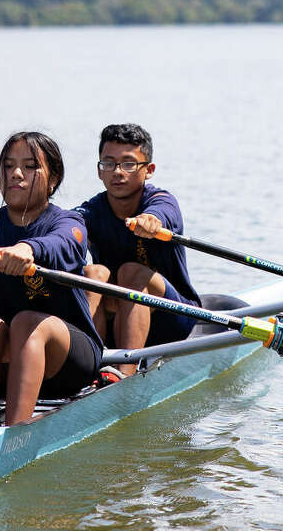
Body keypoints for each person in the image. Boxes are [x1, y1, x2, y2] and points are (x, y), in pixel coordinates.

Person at [0, 131, 104, 426]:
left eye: (30, 166)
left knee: (28, 321)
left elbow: (64, 244)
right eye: (8, 166)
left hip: (70, 365)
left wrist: (27, 249)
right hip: (9, 362)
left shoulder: (69, 221)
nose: (16, 173)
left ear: (53, 179)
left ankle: (16, 435)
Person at [79, 123, 202, 372]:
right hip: (118, 319)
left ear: (149, 170)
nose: (117, 172)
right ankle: (86, 371)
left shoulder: (161, 201)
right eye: (109, 163)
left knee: (130, 272)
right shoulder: (91, 211)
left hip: (173, 319)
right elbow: (64, 229)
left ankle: (125, 375)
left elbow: (162, 212)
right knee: (93, 274)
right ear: (99, 171)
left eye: (128, 164)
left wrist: (151, 221)